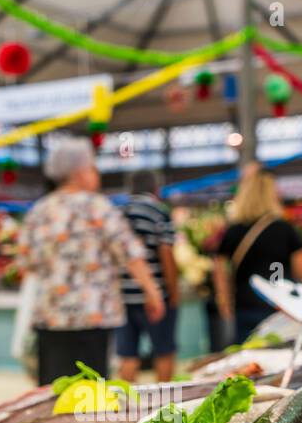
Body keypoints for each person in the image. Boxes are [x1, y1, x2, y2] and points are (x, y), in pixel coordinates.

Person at [17, 138, 166, 385]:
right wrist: (153, 293)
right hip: (94, 316)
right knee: (91, 395)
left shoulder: (39, 211)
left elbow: (26, 263)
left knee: (54, 393)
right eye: (93, 167)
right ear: (80, 172)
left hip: (51, 317)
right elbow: (131, 254)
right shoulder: (99, 207)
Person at [214, 170, 302, 342]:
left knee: (250, 360)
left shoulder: (233, 232)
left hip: (245, 307)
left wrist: (224, 300)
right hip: (281, 308)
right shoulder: (284, 230)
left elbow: (219, 268)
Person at [115, 170, 180, 383]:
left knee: (127, 356)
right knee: (164, 351)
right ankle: (164, 408)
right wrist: (172, 291)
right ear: (156, 189)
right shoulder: (158, 212)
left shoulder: (119, 213)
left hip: (123, 297)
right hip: (155, 296)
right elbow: (166, 253)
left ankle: (124, 411)